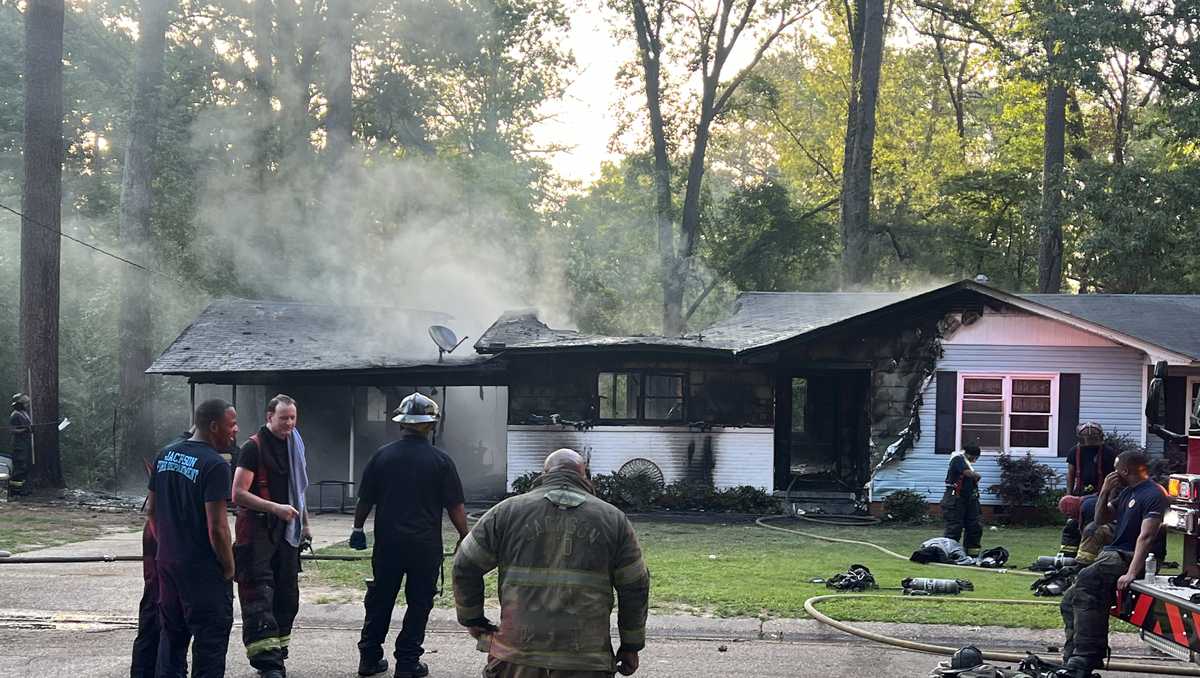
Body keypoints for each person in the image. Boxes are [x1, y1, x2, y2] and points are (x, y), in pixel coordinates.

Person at [453, 448, 650, 678]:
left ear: (545, 473)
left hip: (516, 657)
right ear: (584, 476)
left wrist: (473, 619)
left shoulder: (505, 513)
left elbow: (465, 565)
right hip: (586, 661)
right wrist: (630, 646)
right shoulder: (613, 520)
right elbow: (635, 586)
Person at [350, 392, 470, 678]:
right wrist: (465, 536)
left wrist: (357, 529)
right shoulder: (441, 461)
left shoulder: (382, 456)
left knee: (380, 600)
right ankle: (407, 662)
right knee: (419, 603)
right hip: (424, 547)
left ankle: (369, 659)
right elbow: (455, 506)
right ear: (431, 425)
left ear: (402, 424)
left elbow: (365, 499)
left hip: (388, 545)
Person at [146, 399, 237, 678]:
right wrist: (229, 567)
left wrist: (169, 547)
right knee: (210, 644)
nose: (235, 431)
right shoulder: (215, 466)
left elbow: (152, 511)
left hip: (168, 565)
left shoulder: (165, 455)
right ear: (213, 426)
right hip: (202, 572)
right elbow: (218, 528)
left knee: (172, 640)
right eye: (231, 425)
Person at [1058, 449, 1168, 677]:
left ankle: (1089, 654)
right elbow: (1100, 519)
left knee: (1087, 579)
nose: (1113, 473)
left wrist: (1131, 573)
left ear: (1125, 470)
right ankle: (1073, 657)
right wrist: (1105, 491)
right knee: (1069, 600)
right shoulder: (1128, 492)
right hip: (1114, 553)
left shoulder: (1153, 494)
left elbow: (1146, 537)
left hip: (1131, 557)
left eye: (1116, 469)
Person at [233, 394, 311, 678]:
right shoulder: (252, 448)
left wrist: (305, 524)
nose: (289, 423)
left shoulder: (295, 447)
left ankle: (279, 653)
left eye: (292, 417)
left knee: (287, 595)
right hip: (256, 532)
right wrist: (274, 508)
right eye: (283, 418)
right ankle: (267, 664)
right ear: (269, 417)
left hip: (286, 534)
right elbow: (238, 493)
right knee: (259, 595)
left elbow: (298, 491)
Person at [130, 427, 192, 678]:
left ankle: (145, 670)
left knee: (153, 606)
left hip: (157, 534)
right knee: (166, 611)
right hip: (166, 538)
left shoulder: (167, 452)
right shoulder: (192, 456)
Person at [942, 444, 983, 558]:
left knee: (974, 526)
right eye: (975, 457)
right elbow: (967, 473)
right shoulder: (958, 459)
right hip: (955, 497)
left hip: (970, 498)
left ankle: (972, 554)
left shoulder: (967, 463)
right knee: (955, 526)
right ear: (968, 454)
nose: (975, 460)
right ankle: (949, 553)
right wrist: (977, 475)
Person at [1065, 422, 1118, 497]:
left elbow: (1113, 475)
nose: (1089, 439)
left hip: (1103, 493)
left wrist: (1111, 497)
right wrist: (1068, 495)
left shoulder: (1108, 452)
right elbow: (1071, 474)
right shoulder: (1074, 451)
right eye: (1087, 437)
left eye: (1093, 437)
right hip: (1080, 493)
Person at [8, 393, 31, 496]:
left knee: (25, 467)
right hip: (18, 446)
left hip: (25, 444)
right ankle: (14, 491)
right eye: (24, 403)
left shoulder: (24, 413)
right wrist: (24, 430)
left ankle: (23, 489)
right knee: (19, 468)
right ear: (19, 404)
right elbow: (13, 430)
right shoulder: (15, 414)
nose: (26, 405)